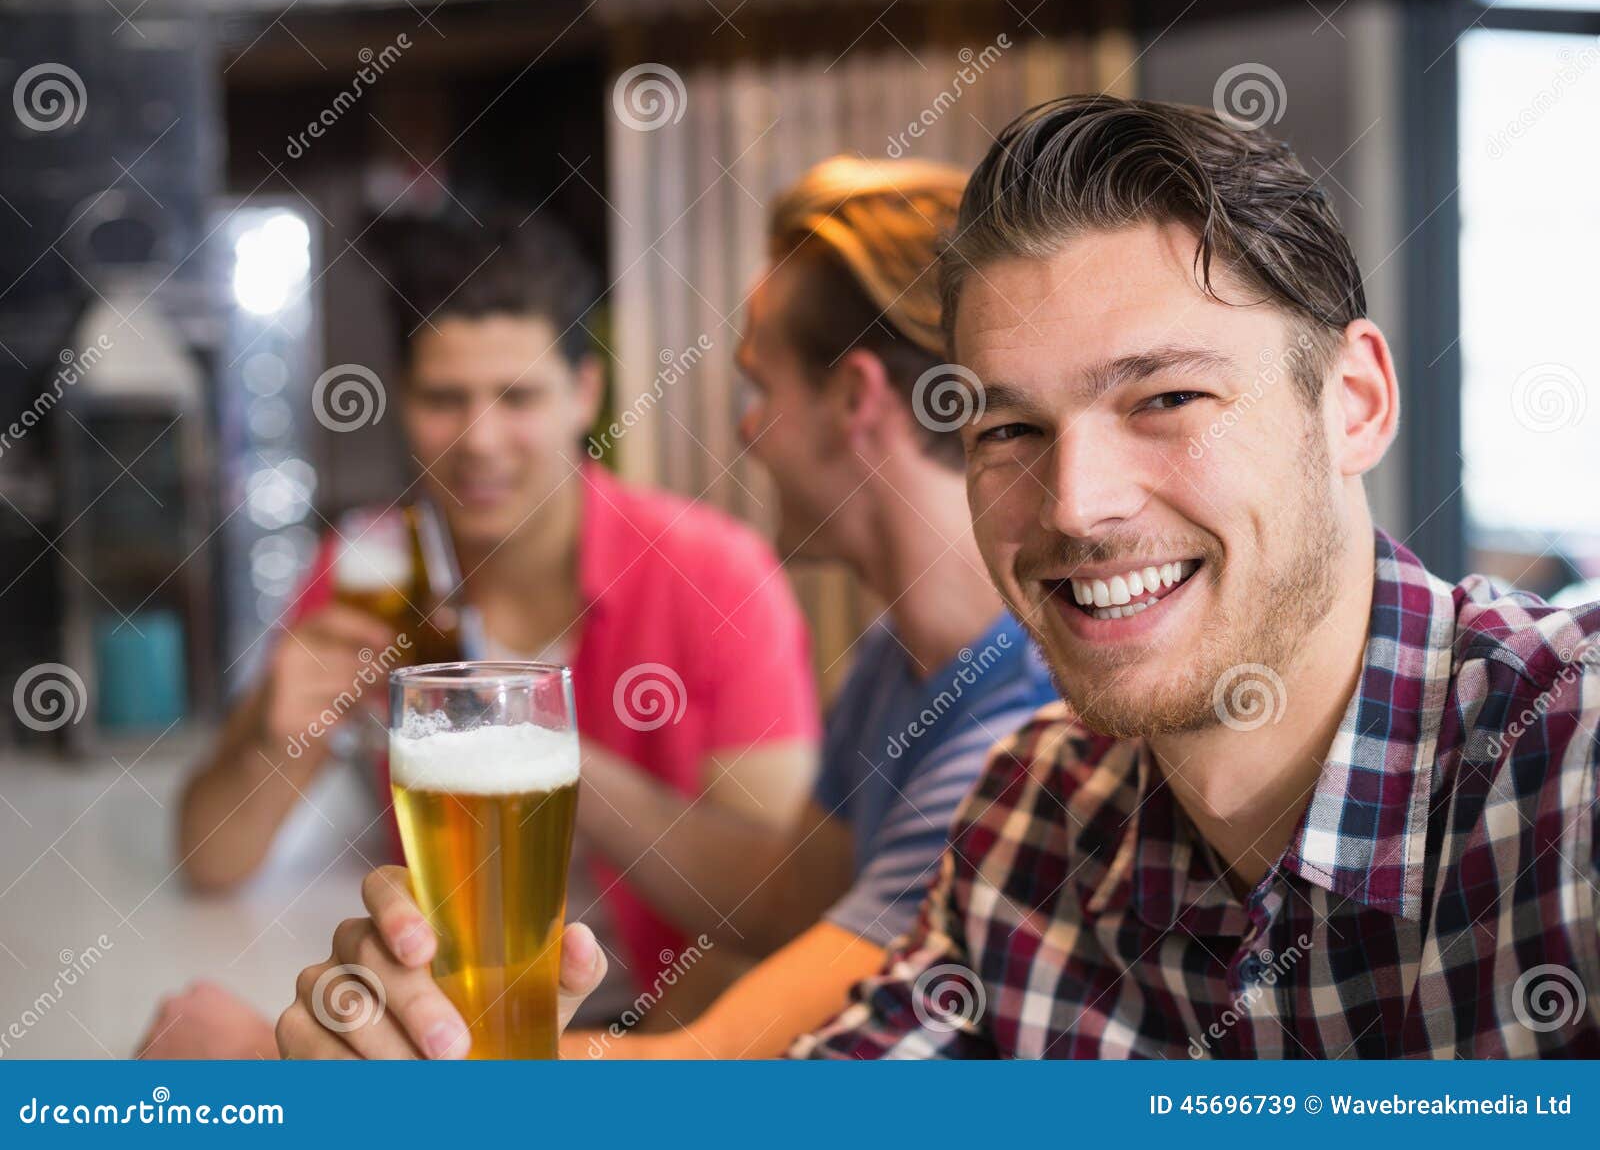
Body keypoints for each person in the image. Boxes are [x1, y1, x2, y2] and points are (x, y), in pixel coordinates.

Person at [793, 95, 1600, 1058]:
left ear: (1354, 404)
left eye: (1168, 398)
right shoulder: (1032, 817)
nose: (1074, 506)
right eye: (1010, 430)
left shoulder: (1571, 759)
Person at [275, 156, 1058, 1062]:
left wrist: (395, 1067)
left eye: (758, 388)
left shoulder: (1017, 733)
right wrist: (520, 746)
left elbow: (727, 1062)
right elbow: (778, 900)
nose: (744, 431)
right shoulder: (902, 657)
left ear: (856, 401)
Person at [148, 216, 819, 1057]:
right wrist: (267, 741)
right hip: (450, 1029)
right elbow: (209, 858)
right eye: (444, 400)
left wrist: (540, 759)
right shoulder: (373, 570)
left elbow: (771, 909)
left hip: (653, 1043)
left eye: (518, 396)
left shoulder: (714, 575)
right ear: (401, 399)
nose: (480, 440)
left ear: (584, 393)